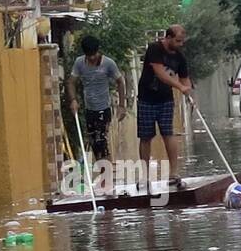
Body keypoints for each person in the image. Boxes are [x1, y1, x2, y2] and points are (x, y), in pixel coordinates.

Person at [136, 24, 193, 190]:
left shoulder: (180, 57)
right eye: (177, 41)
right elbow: (160, 73)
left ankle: (174, 174)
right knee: (145, 136)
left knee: (168, 133)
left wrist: (188, 92)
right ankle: (145, 176)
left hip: (165, 99)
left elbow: (185, 78)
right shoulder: (155, 49)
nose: (180, 44)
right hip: (147, 98)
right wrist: (179, 87)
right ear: (168, 38)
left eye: (182, 41)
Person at [68, 34, 125, 168]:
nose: (92, 58)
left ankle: (107, 177)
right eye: (89, 55)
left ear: (98, 50)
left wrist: (121, 106)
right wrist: (73, 100)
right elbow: (71, 82)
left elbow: (120, 82)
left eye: (94, 54)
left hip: (103, 109)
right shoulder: (79, 63)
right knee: (94, 143)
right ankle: (105, 173)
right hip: (89, 110)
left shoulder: (108, 63)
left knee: (101, 141)